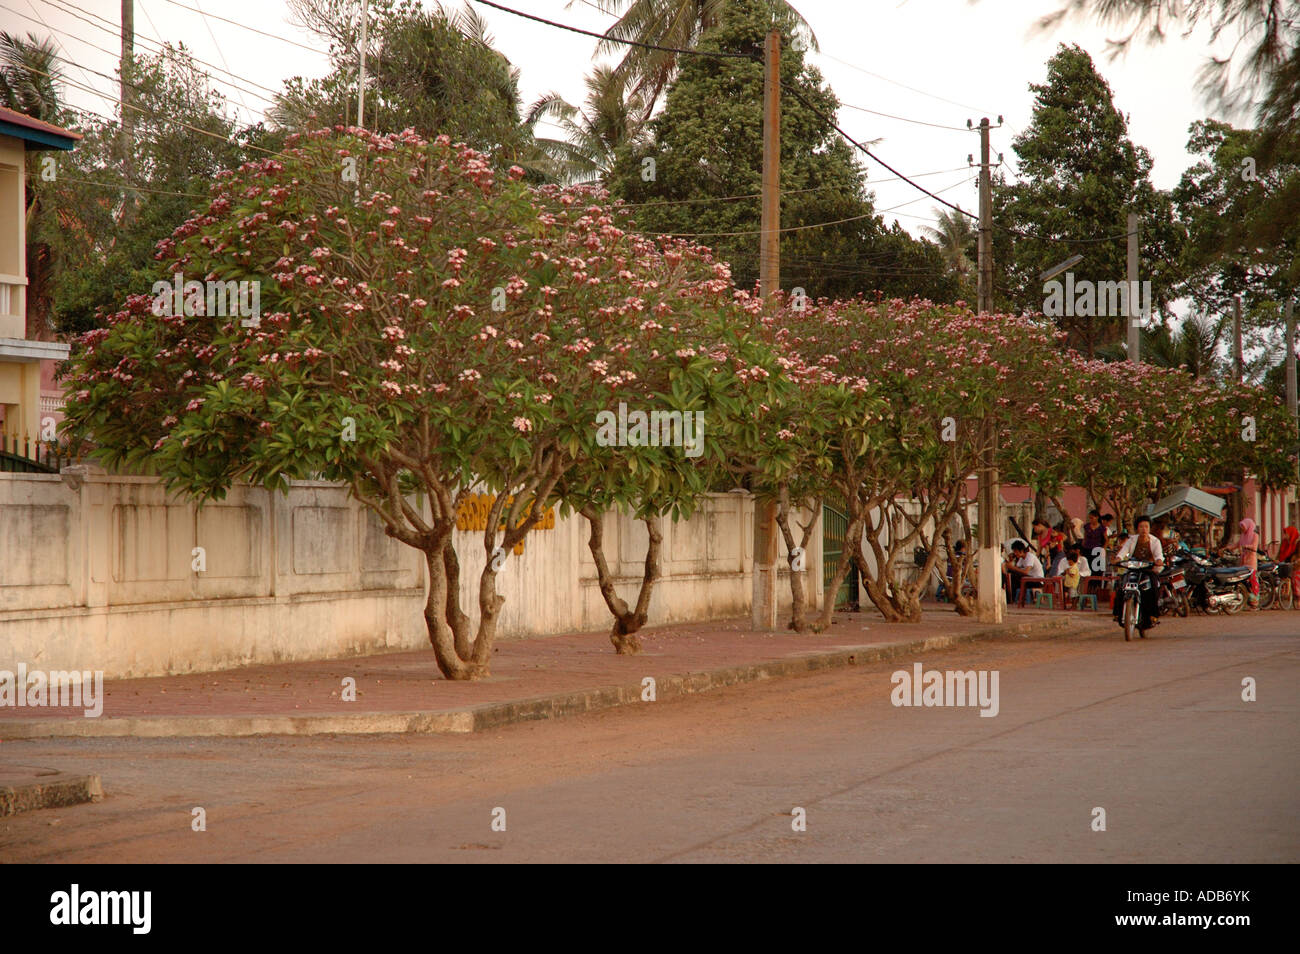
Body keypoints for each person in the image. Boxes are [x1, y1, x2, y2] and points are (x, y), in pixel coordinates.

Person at [1113, 516, 1164, 634]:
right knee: (1121, 586)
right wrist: (1118, 559)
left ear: (1149, 528)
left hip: (1149, 569)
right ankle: (1117, 614)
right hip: (1133, 568)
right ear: (1137, 529)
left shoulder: (1155, 541)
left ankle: (1153, 615)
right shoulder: (1131, 540)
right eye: (1141, 527)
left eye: (1146, 526)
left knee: (1153, 588)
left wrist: (1159, 561)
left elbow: (1159, 555)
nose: (1144, 529)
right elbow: (1123, 552)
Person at [1224, 517, 1262, 607]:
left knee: (1252, 579)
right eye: (1241, 527)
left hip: (1251, 560)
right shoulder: (1243, 535)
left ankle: (1255, 600)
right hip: (1243, 560)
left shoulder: (1254, 535)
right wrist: (1227, 547)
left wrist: (1246, 546)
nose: (1242, 529)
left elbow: (1254, 547)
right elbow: (1236, 545)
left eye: (1243, 527)